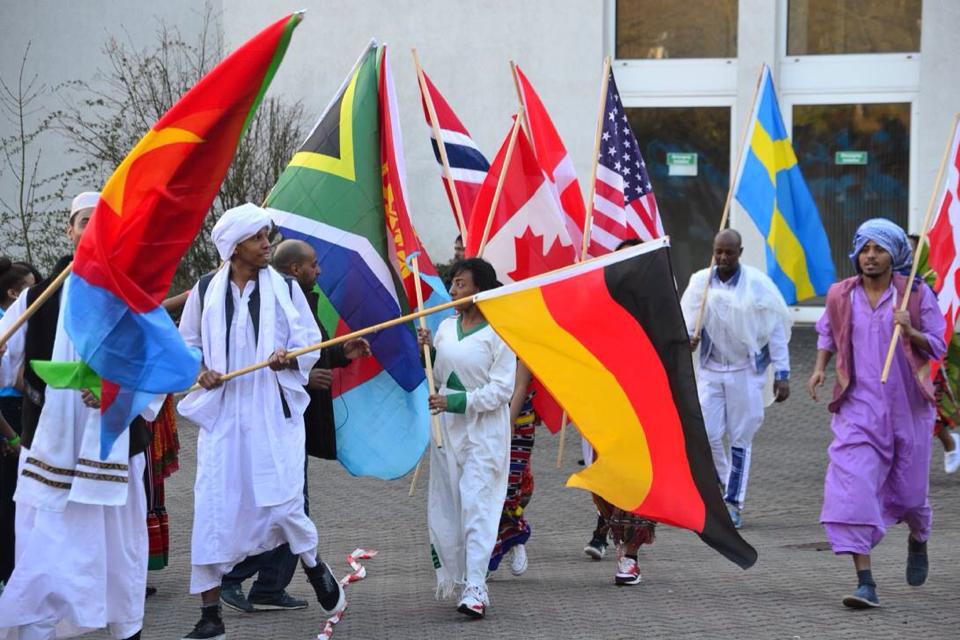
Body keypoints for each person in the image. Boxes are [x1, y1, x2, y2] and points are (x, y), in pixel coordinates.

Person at [176, 204, 345, 640]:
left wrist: (288, 357)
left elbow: (310, 341)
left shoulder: (287, 289)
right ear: (234, 248)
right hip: (224, 419)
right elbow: (187, 344)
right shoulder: (204, 288)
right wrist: (199, 371)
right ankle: (210, 617)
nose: (267, 244)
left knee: (284, 501)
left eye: (266, 236)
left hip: (272, 413)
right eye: (257, 238)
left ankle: (312, 564)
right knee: (213, 510)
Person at [0, 192, 154, 640]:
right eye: (85, 221)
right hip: (51, 449)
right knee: (45, 551)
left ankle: (126, 630)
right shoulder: (37, 296)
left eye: (103, 221)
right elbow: (10, 365)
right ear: (71, 231)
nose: (93, 228)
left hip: (114, 450)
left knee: (119, 554)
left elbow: (156, 367)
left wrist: (115, 392)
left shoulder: (133, 294)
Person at [217, 239, 369, 614]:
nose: (319, 272)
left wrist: (337, 355)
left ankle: (269, 586)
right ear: (296, 268)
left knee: (291, 505)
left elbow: (305, 349)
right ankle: (231, 577)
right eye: (313, 265)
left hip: (291, 421)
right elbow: (257, 360)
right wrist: (300, 374)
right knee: (286, 507)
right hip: (267, 419)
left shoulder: (295, 297)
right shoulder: (255, 299)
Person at [808, 218, 945, 609]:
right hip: (858, 410)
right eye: (865, 249)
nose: (870, 256)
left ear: (894, 255)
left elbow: (937, 344)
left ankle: (918, 537)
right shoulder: (841, 294)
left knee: (910, 495)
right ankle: (865, 581)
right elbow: (827, 332)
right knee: (850, 490)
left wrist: (911, 331)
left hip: (909, 409)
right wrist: (819, 367)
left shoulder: (915, 295)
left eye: (879, 249)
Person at [419, 258, 515, 619]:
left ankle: (476, 587)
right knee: (451, 505)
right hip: (447, 431)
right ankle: (457, 576)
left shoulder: (500, 333)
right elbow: (437, 375)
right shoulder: (444, 327)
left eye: (461, 284)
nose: (453, 291)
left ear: (480, 290)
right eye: (453, 284)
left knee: (478, 504)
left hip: (484, 433)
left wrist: (456, 400)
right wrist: (426, 352)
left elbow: (501, 391)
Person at [680, 229, 791, 529]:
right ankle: (727, 487)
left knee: (740, 439)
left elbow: (775, 330)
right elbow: (687, 323)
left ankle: (733, 502)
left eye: (729, 253)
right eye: (718, 252)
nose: (723, 258)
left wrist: (782, 374)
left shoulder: (757, 286)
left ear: (740, 252)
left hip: (745, 372)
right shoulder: (699, 283)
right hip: (711, 370)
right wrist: (688, 339)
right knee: (707, 433)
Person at [0, 258, 40, 588]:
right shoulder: (10, 321)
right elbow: (13, 378)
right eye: (29, 287)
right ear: (13, 292)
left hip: (18, 410)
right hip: (9, 412)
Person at [488, 362, 536, 577]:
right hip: (483, 419)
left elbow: (520, 386)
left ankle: (513, 536)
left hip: (517, 424)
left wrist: (507, 424)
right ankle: (484, 553)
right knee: (485, 489)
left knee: (509, 488)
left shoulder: (520, 338)